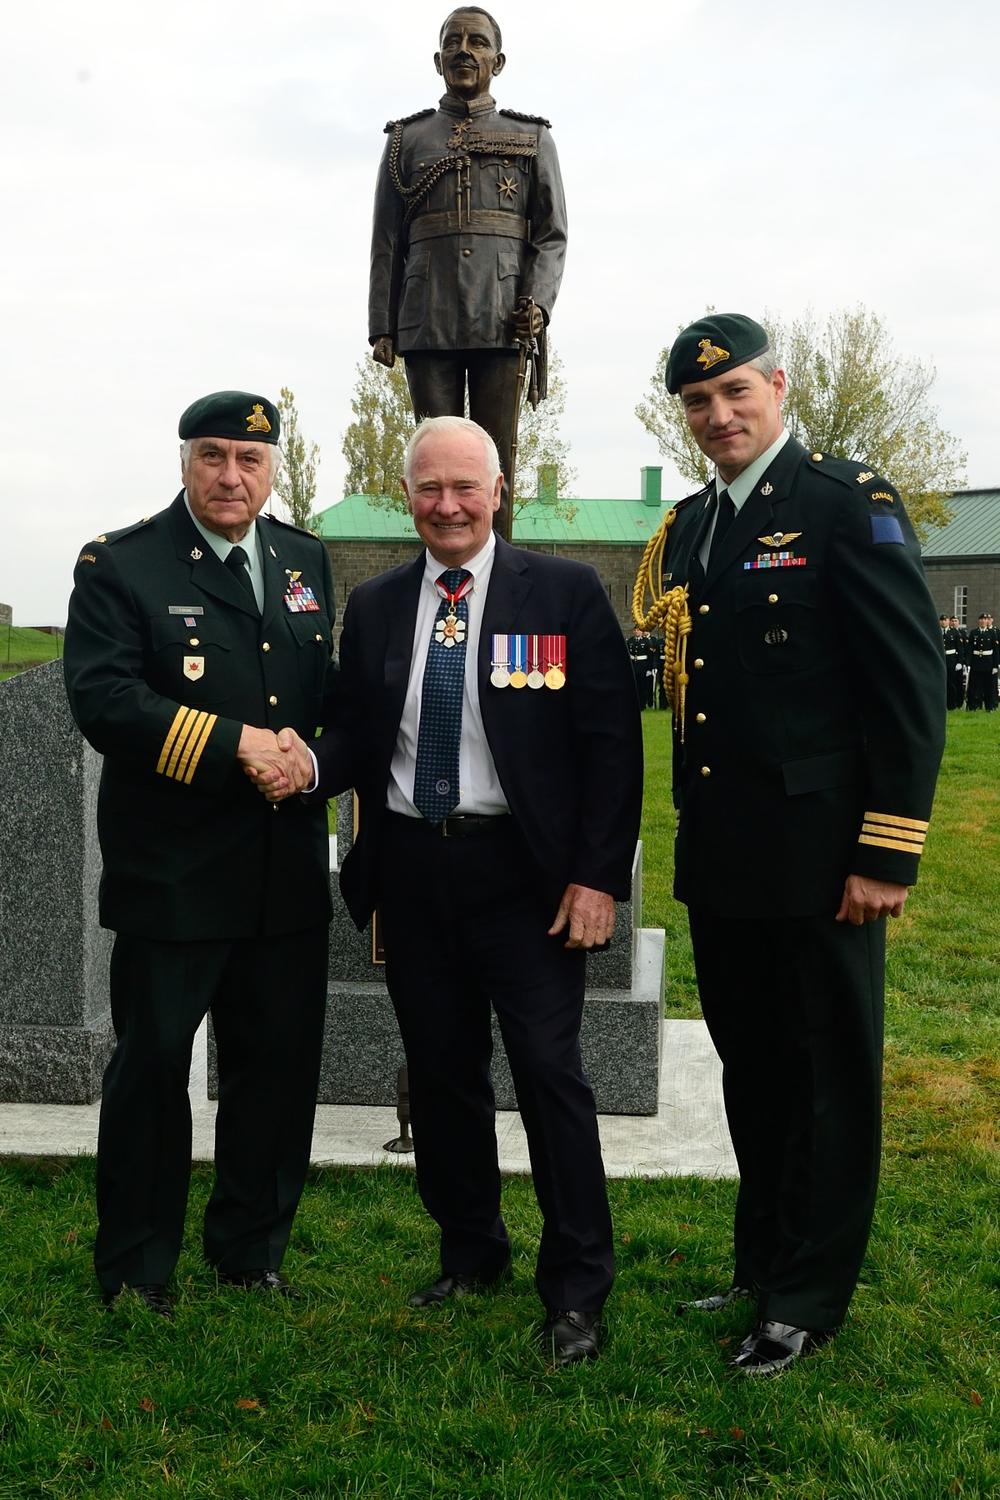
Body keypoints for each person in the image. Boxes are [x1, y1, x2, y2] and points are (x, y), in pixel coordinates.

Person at [254, 416, 642, 1364]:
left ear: (498, 490)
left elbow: (611, 750)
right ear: (407, 497)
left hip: (527, 879)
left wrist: (598, 878)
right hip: (415, 875)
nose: (448, 505)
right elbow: (354, 729)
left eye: (465, 486)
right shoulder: (380, 604)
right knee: (443, 1074)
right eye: (429, 488)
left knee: (550, 1078)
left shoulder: (565, 592)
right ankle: (472, 1252)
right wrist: (308, 767)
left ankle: (578, 1288)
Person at [637, 315, 945, 1376]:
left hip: (824, 861)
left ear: (777, 387)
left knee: (824, 1078)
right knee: (753, 1072)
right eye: (696, 403)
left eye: (735, 395)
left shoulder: (842, 504)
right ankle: (761, 1263)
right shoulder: (688, 528)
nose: (718, 416)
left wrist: (886, 854)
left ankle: (806, 1300)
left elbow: (908, 692)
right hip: (727, 859)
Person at [64, 391, 336, 1315]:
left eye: (250, 460)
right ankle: (139, 1267)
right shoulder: (123, 564)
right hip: (173, 873)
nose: (231, 477)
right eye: (212, 456)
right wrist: (237, 748)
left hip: (284, 872)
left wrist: (308, 760)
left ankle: (251, 1247)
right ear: (184, 460)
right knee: (151, 1070)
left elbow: (325, 697)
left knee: (276, 1068)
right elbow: (104, 700)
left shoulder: (304, 561)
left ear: (272, 468)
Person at [368, 7, 566, 537]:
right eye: (452, 42)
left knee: (496, 457)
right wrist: (382, 326)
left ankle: (498, 568)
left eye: (477, 42)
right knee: (433, 454)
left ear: (497, 61)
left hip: (503, 317)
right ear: (437, 60)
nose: (464, 50)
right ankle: (435, 559)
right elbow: (387, 240)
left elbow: (550, 237)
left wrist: (539, 306)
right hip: (425, 315)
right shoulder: (404, 141)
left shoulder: (532, 138)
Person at [966, 611, 999, 710]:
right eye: (981, 619)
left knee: (989, 686)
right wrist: (968, 663)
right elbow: (969, 649)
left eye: (985, 619)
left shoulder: (992, 633)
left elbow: (996, 650)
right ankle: (974, 706)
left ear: (987, 621)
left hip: (988, 662)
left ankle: (990, 706)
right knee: (976, 686)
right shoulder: (974, 633)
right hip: (976, 662)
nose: (983, 621)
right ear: (979, 621)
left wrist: (995, 666)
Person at [940, 614, 966, 709]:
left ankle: (952, 704)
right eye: (941, 620)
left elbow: (960, 648)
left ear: (948, 621)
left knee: (951, 683)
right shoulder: (937, 632)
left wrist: (959, 662)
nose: (943, 622)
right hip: (941, 660)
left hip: (951, 660)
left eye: (945, 620)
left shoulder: (954, 632)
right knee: (942, 683)